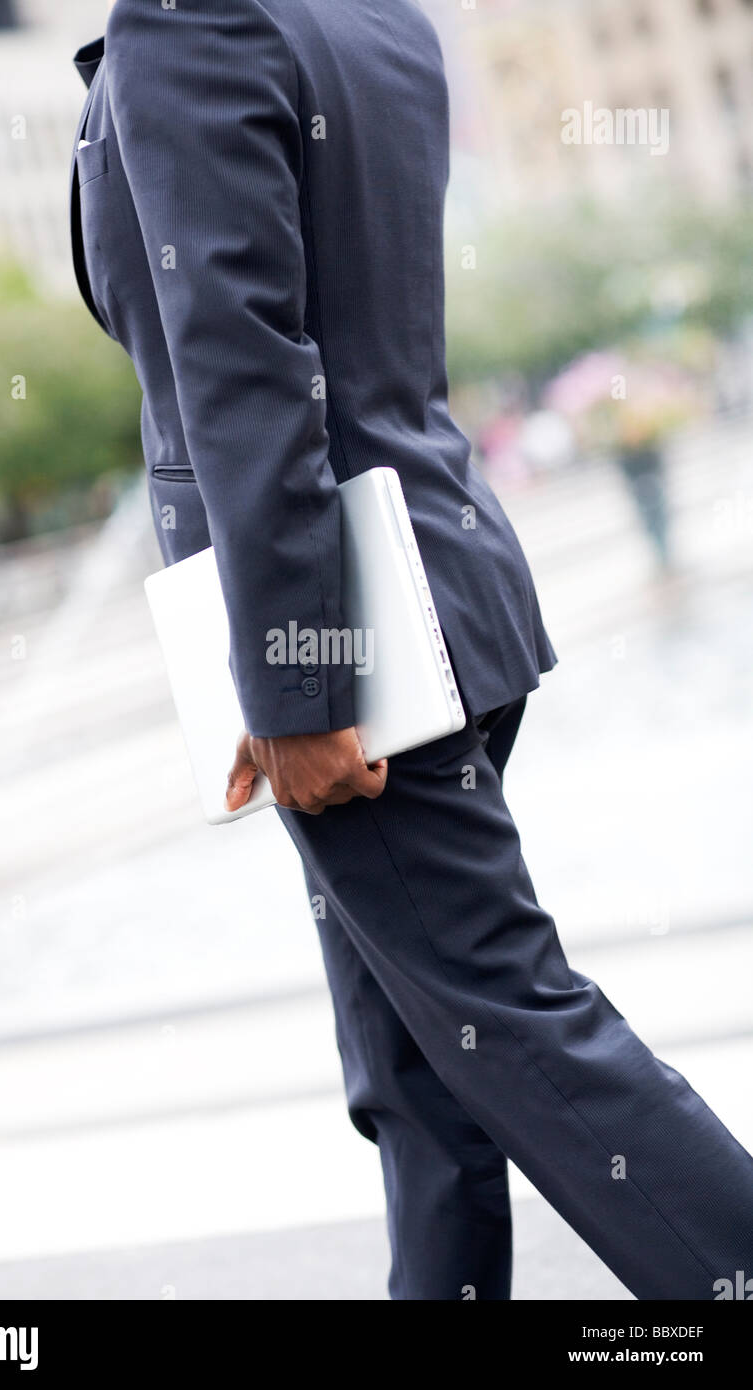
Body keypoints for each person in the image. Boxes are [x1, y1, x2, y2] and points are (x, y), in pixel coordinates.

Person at [70, 0, 753, 1299]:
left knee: (523, 1031)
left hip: (354, 651)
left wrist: (295, 681)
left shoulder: (182, 25)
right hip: (439, 581)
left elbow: (242, 362)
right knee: (419, 1086)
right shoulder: (373, 14)